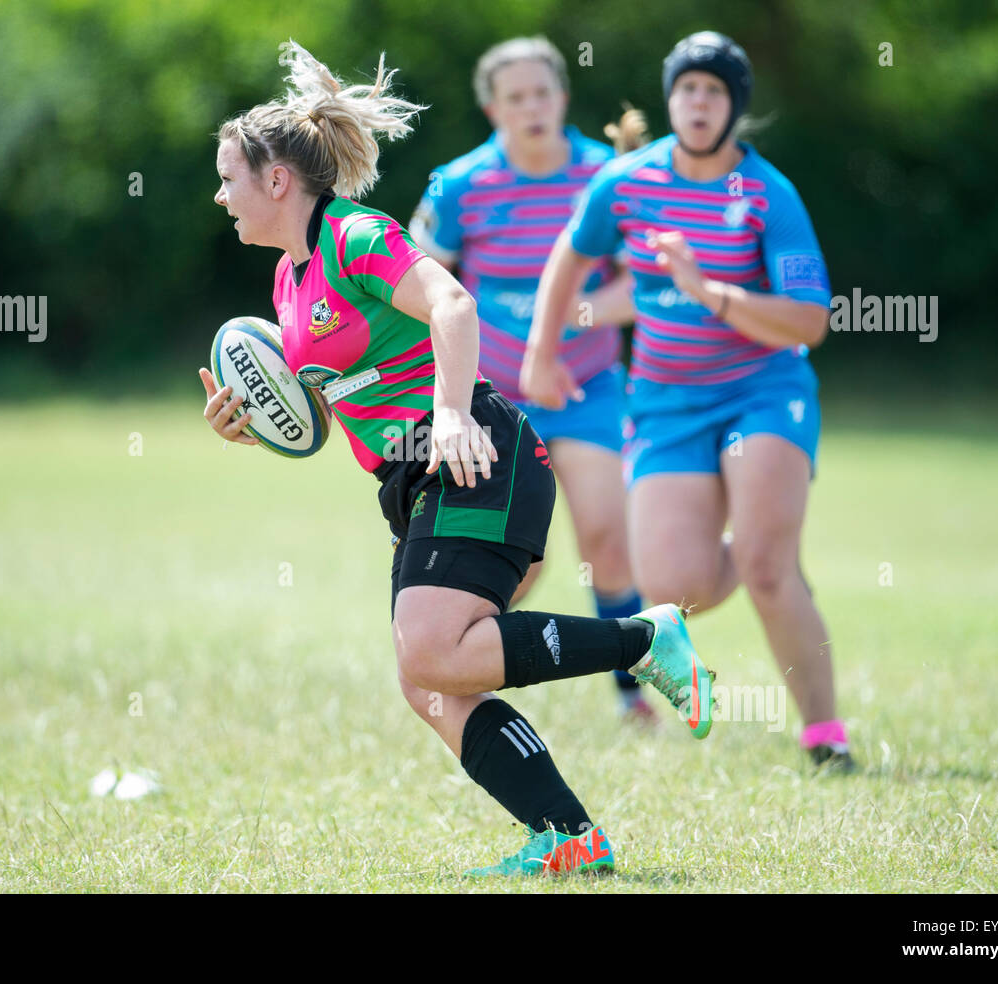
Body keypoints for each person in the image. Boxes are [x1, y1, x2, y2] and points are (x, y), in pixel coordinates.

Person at [201, 40, 718, 877]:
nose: (220, 195)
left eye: (229, 177)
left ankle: (642, 638)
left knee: (434, 651)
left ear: (276, 180)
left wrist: (447, 415)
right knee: (430, 679)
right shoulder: (290, 288)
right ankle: (570, 838)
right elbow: (333, 404)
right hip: (410, 482)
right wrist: (253, 421)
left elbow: (453, 304)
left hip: (476, 450)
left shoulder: (356, 236)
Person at [523, 31, 853, 770]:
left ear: (735, 106)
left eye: (714, 91)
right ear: (672, 100)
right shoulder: (628, 182)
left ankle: (826, 736)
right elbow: (568, 258)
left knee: (768, 574)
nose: (699, 102)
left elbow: (810, 320)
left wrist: (713, 294)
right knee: (677, 590)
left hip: (763, 394)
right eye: (687, 89)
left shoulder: (769, 193)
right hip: (667, 402)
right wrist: (542, 352)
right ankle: (758, 541)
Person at [408, 37, 658, 723]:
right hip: (491, 404)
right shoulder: (458, 184)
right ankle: (457, 664)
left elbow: (647, 285)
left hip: (587, 388)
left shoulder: (607, 175)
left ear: (564, 98)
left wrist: (574, 316)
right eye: (515, 97)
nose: (532, 108)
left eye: (542, 93)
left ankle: (634, 694)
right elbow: (414, 289)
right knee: (519, 564)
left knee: (606, 540)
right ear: (492, 107)